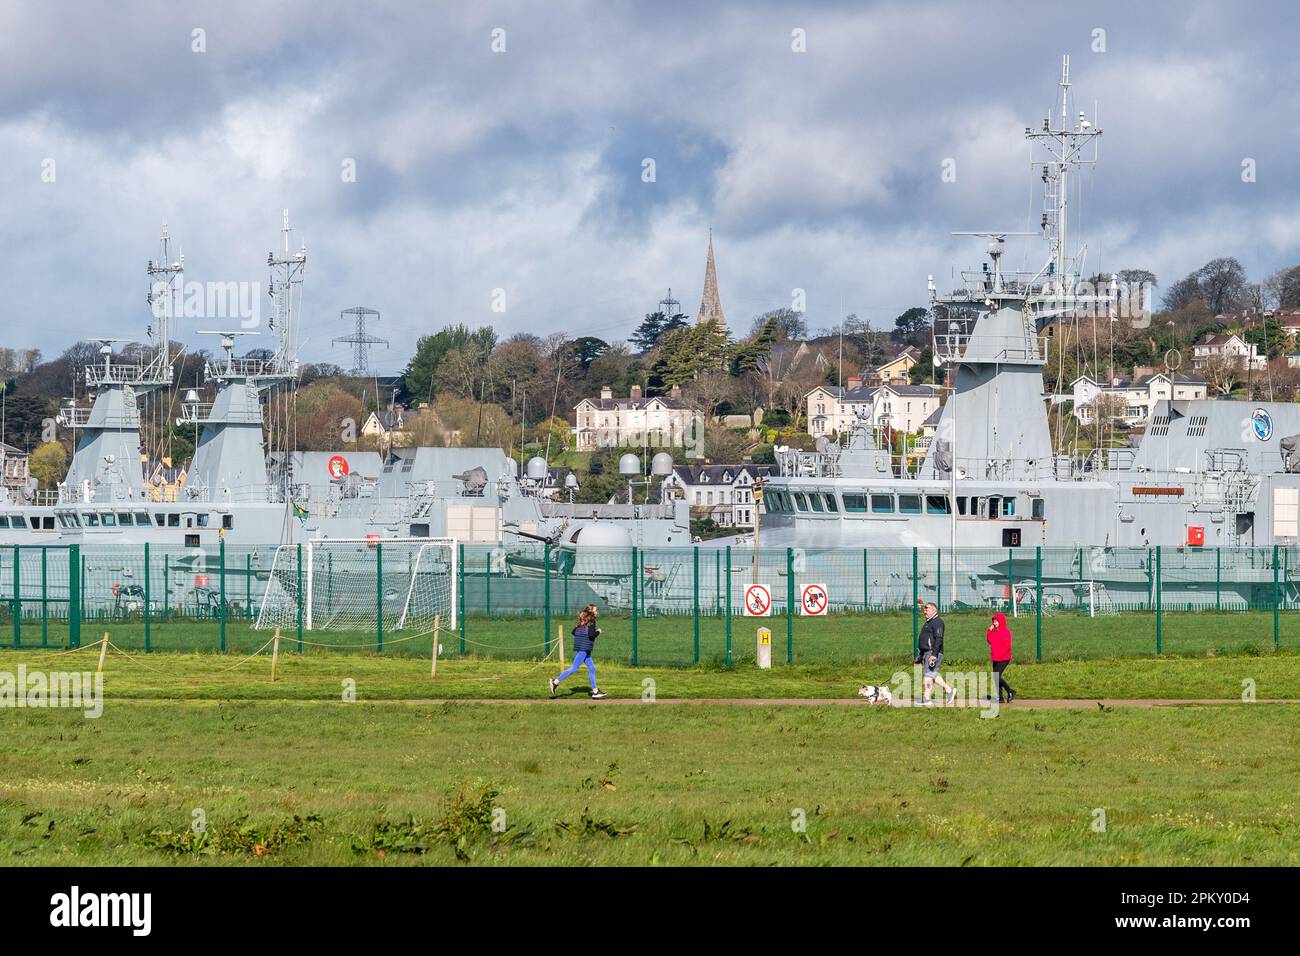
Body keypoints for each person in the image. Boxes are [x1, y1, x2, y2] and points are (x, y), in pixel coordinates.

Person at [549, 604, 606, 699]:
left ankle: (595, 691)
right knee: (574, 668)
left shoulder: (583, 621)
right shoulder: (591, 621)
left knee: (592, 668)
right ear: (591, 611)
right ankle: (554, 682)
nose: (597, 612)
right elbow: (592, 635)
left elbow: (573, 632)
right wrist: (598, 631)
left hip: (584, 649)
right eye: (596, 610)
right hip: (584, 649)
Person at [916, 601, 956, 705]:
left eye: (927, 609)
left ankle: (926, 698)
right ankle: (949, 690)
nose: (924, 611)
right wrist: (920, 656)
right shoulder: (929, 622)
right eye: (924, 609)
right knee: (933, 674)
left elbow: (939, 639)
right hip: (927, 653)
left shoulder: (938, 622)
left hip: (933, 652)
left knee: (928, 675)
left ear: (934, 610)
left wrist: (934, 654)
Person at [986, 611, 1016, 703]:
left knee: (996, 676)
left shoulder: (1006, 632)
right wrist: (989, 630)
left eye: (996, 621)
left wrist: (999, 656)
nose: (994, 623)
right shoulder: (995, 631)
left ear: (1001, 621)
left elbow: (1007, 647)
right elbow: (989, 640)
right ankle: (1000, 698)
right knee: (996, 677)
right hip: (996, 658)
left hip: (1004, 658)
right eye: (994, 621)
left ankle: (1010, 691)